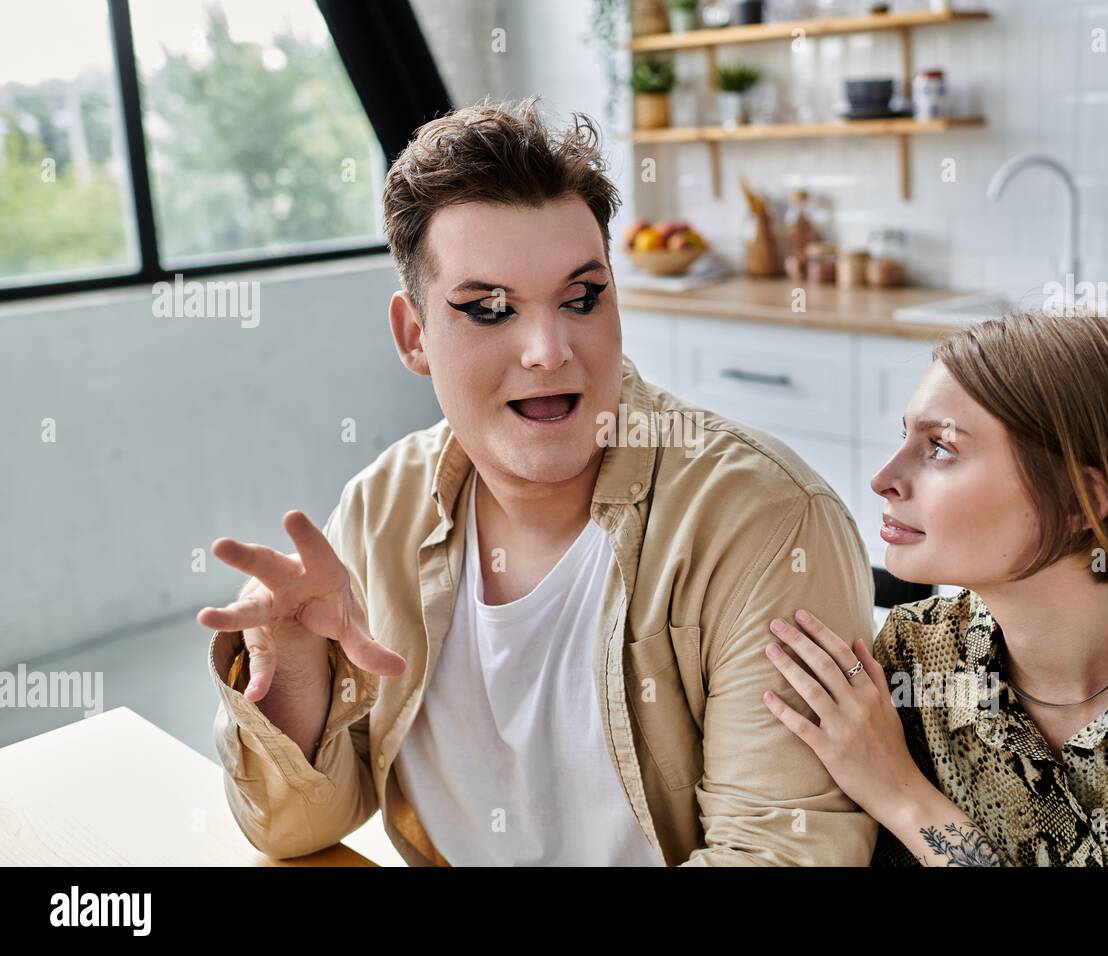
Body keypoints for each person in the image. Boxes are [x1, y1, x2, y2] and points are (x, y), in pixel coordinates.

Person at [197, 95, 878, 866]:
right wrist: (289, 656)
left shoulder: (769, 524)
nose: (550, 350)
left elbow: (784, 853)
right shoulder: (380, 506)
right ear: (414, 335)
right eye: (490, 309)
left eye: (582, 297)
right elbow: (291, 830)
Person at [762, 310, 1108, 865]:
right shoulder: (912, 658)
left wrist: (905, 799)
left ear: (1080, 501)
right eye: (904, 436)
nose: (884, 479)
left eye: (941, 447)